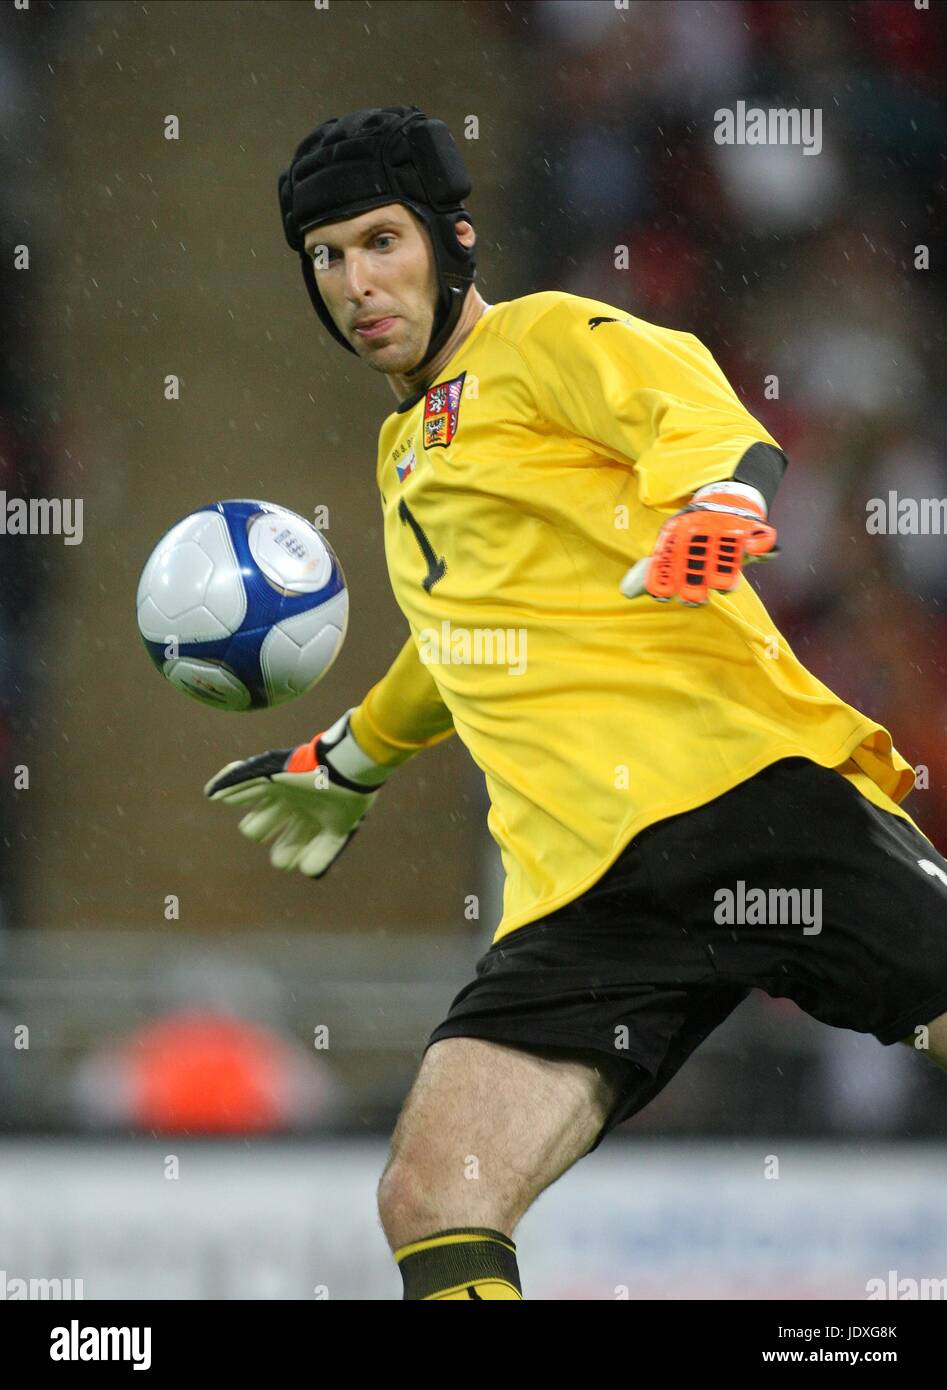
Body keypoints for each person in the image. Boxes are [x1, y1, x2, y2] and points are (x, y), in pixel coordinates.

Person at [206, 106, 947, 1300]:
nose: (356, 282)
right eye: (326, 257)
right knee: (433, 1193)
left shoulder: (541, 340)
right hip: (587, 895)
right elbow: (458, 642)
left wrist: (717, 502)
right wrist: (350, 759)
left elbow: (691, 408)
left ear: (452, 241)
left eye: (381, 241)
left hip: (743, 801)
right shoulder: (404, 450)